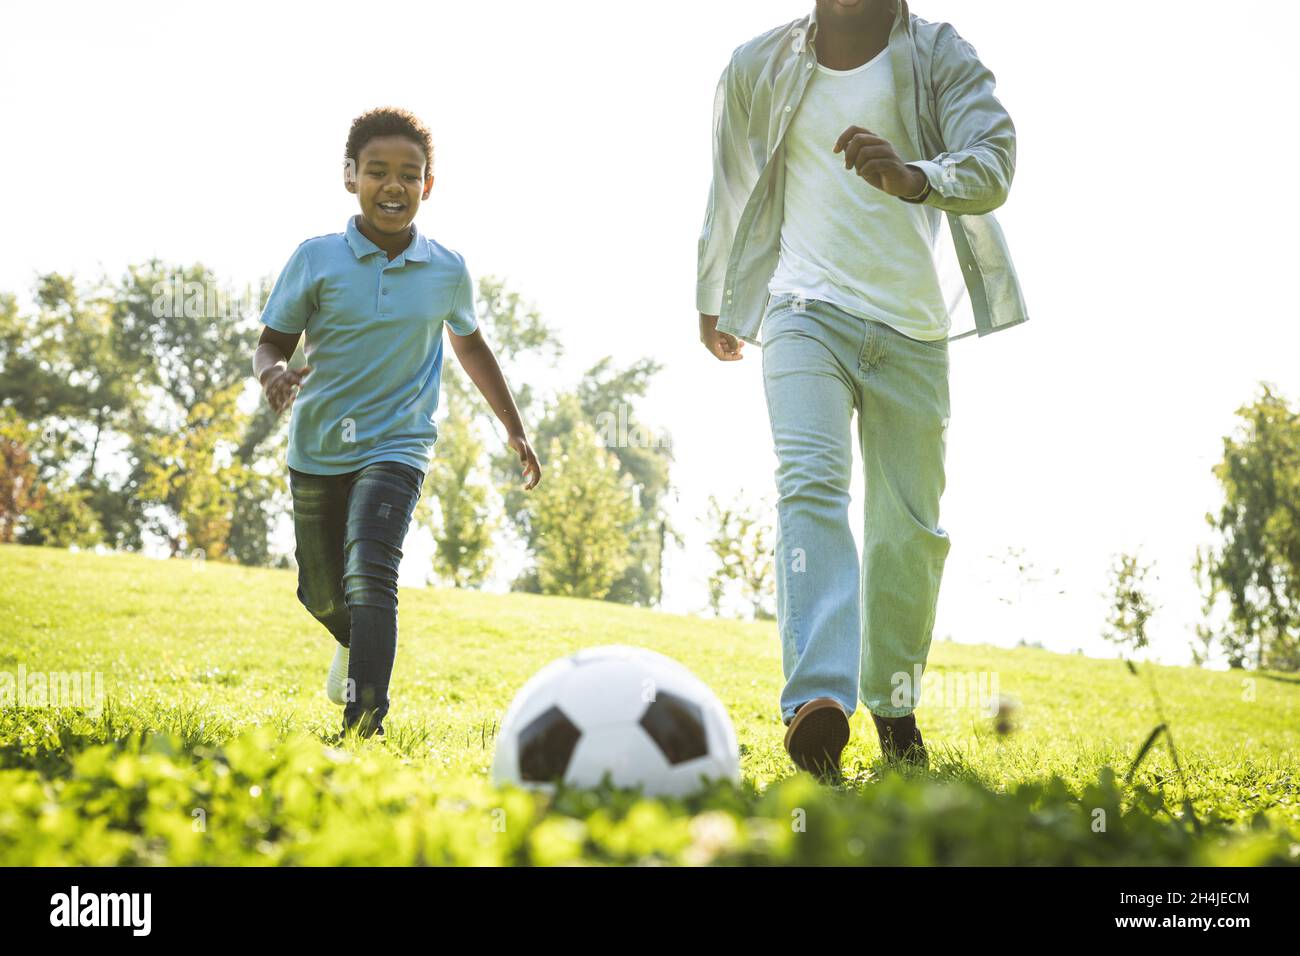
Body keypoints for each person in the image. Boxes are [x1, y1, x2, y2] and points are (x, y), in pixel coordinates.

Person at [696, 0, 1027, 776]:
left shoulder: (940, 53)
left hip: (911, 331)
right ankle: (817, 702)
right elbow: (730, 181)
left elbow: (994, 158)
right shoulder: (758, 64)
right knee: (810, 486)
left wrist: (916, 175)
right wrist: (715, 292)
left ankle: (895, 703)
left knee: (907, 532)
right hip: (802, 310)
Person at [253, 106, 541, 738]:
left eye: (410, 175)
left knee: (371, 565)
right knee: (323, 594)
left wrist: (513, 427)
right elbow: (271, 342)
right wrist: (273, 372)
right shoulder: (316, 258)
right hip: (318, 447)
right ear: (350, 176)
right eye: (378, 171)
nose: (394, 185)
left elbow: (470, 344)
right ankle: (356, 645)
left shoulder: (447, 269)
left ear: (427, 186)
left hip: (398, 443)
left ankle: (364, 722)